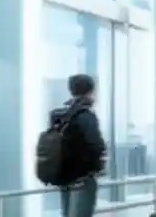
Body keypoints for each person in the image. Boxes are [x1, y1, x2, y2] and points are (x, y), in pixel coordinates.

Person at [48, 74, 106, 217]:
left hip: (64, 177)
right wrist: (99, 165)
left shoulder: (60, 115)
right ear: (91, 90)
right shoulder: (86, 115)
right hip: (83, 178)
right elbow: (96, 145)